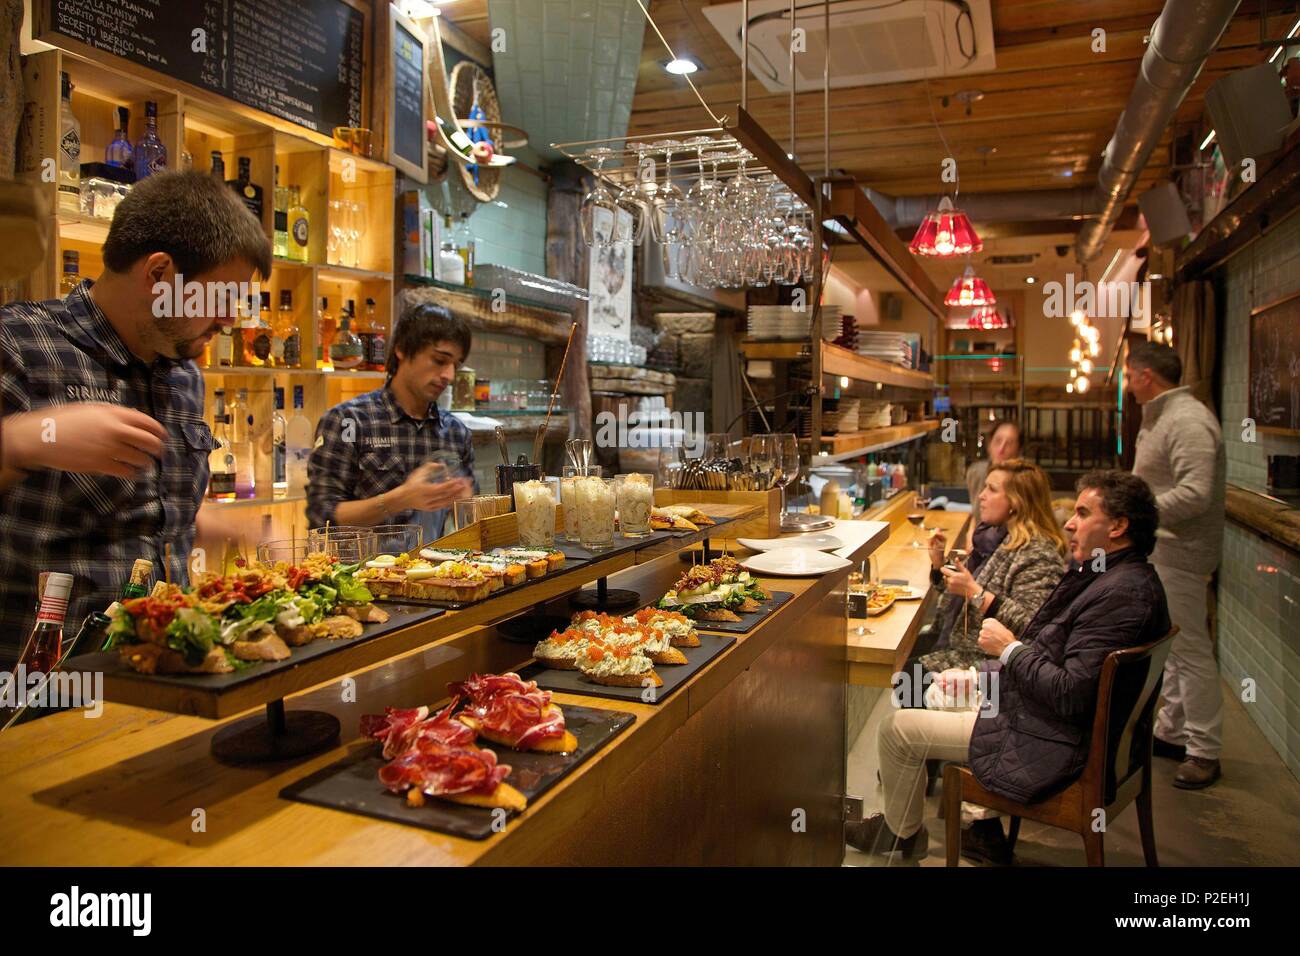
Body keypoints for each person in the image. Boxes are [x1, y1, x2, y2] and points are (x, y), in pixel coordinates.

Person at [0, 170, 270, 664]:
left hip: (164, 675)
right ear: (160, 273)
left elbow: (144, 513)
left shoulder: (183, 372)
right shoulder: (18, 344)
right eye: (222, 296)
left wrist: (212, 523)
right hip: (43, 695)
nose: (231, 319)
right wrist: (23, 440)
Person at [846, 471, 1171, 863]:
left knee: (897, 728)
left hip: (1050, 738)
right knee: (919, 685)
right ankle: (936, 812)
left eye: (1083, 513)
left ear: (1118, 526)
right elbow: (1056, 655)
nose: (1070, 521)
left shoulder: (1118, 594)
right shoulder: (1118, 576)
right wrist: (983, 676)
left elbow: (1069, 693)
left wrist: (1008, 651)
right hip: (1036, 709)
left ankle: (909, 833)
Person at [1126, 341, 1226, 790]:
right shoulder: (1165, 416)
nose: (1127, 386)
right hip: (1164, 550)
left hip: (1182, 553)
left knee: (1191, 652)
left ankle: (1205, 751)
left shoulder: (1186, 420)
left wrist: (1136, 513)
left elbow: (1196, 493)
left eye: (1129, 377)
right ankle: (1172, 732)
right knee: (1175, 649)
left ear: (1146, 376)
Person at [307, 302, 476, 542]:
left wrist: (464, 504)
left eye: (455, 366)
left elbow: (467, 523)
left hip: (436, 576)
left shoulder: (456, 433)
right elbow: (322, 520)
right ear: (402, 350)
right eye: (439, 360)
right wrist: (401, 498)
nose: (448, 375)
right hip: (360, 577)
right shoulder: (349, 421)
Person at [965, 419, 1022, 530]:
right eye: (997, 441)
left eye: (1009, 443)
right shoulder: (976, 473)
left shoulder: (1024, 481)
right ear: (989, 445)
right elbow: (977, 513)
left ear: (1018, 450)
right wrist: (971, 531)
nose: (1001, 449)